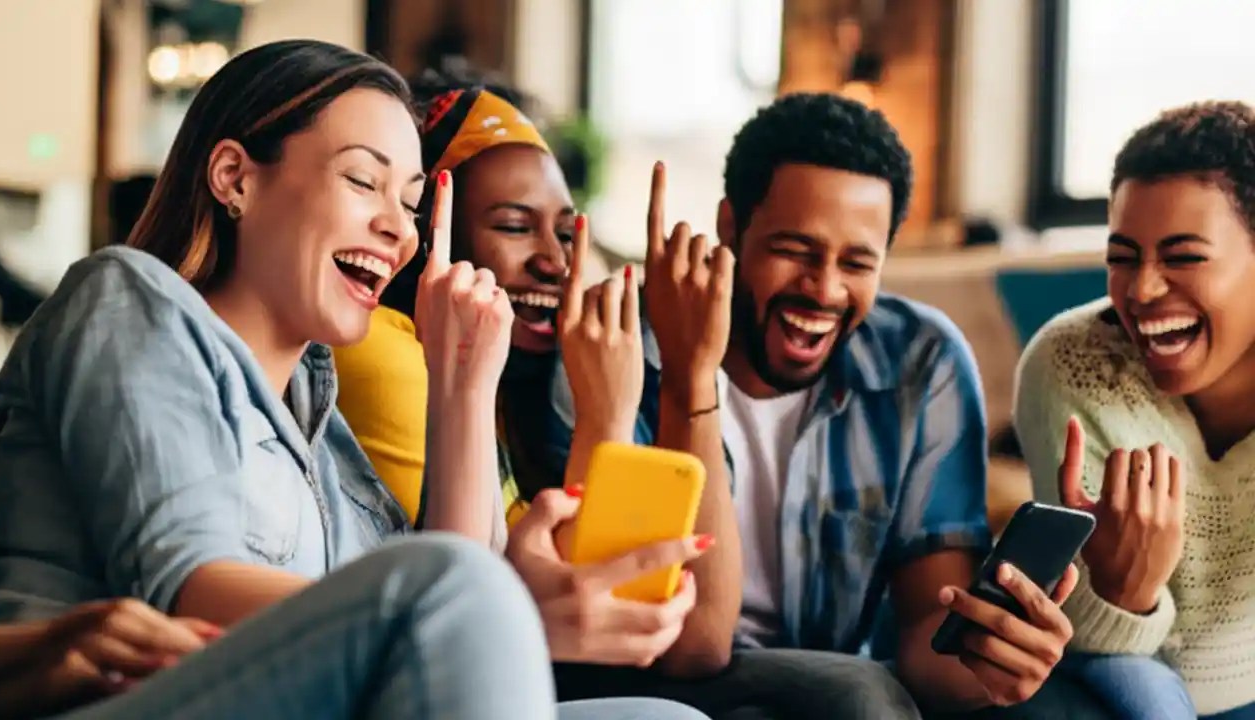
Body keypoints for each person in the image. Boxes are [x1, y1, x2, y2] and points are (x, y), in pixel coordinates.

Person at [0, 39, 707, 720]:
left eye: (411, 204)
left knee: (661, 718)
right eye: (363, 181)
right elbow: (191, 591)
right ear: (234, 177)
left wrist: (462, 383)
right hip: (105, 701)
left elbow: (450, 644)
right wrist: (499, 614)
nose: (400, 229)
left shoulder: (321, 426)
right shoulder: (130, 303)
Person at [540, 94, 1094, 719]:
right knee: (862, 695)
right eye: (795, 250)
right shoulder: (611, 349)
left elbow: (929, 631)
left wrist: (994, 663)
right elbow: (690, 651)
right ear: (730, 227)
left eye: (857, 262)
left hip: (829, 688)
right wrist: (690, 381)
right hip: (660, 678)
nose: (824, 290)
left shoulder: (920, 361)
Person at [334, 81, 743, 679]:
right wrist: (604, 419)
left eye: (567, 234)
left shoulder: (552, 370)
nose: (555, 261)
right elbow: (580, 623)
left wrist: (690, 374)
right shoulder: (387, 350)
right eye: (514, 226)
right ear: (427, 240)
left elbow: (698, 641)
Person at [1016, 101, 1255, 719]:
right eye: (1122, 258)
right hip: (1122, 675)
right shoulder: (1071, 365)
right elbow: (1081, 631)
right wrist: (1127, 592)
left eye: (1183, 257)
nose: (1142, 290)